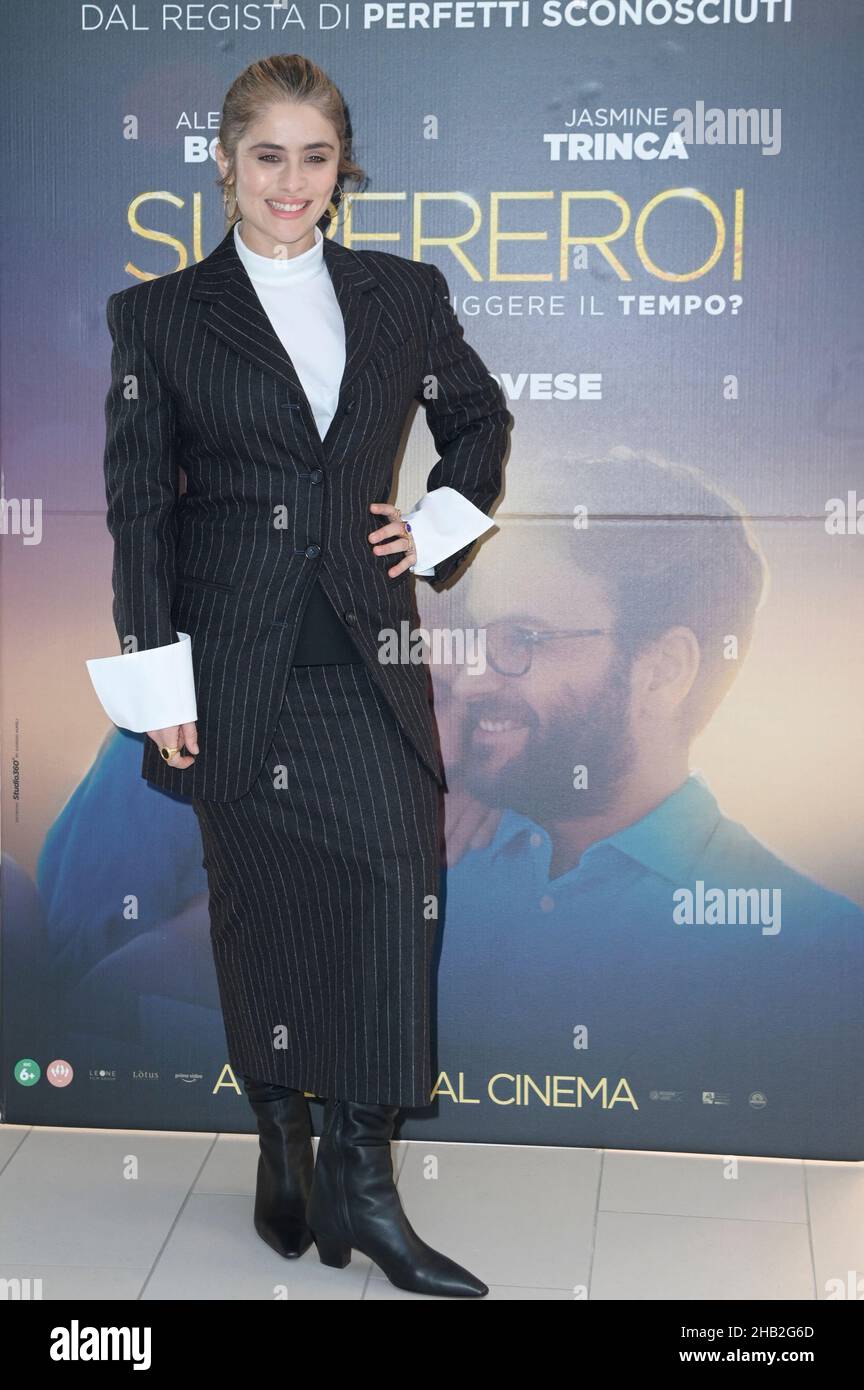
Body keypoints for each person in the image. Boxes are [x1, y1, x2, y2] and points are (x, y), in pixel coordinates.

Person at [85, 53, 511, 1297]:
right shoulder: (158, 317)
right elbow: (138, 513)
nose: (290, 181)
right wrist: (160, 684)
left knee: (394, 882)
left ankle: (364, 1183)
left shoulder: (398, 294)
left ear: (343, 170)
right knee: (259, 906)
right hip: (227, 663)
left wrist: (430, 528)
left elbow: (479, 423)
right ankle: (283, 1140)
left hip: (366, 654)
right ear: (223, 162)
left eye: (314, 156)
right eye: (265, 154)